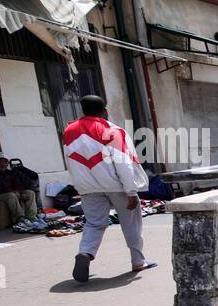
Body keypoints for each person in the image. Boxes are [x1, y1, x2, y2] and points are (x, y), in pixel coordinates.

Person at [61, 94, 151, 282]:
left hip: (87, 187)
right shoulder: (111, 130)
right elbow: (123, 163)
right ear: (104, 111)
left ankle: (85, 253)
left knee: (94, 223)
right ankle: (138, 261)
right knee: (130, 222)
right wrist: (131, 191)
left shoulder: (69, 131)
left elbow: (70, 162)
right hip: (116, 185)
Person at [0, 153, 39, 227]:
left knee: (30, 193)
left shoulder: (9, 173)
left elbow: (18, 184)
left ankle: (31, 218)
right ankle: (20, 219)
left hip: (8, 193)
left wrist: (20, 193)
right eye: (0, 161)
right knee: (11, 195)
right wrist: (15, 193)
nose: (2, 164)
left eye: (5, 162)